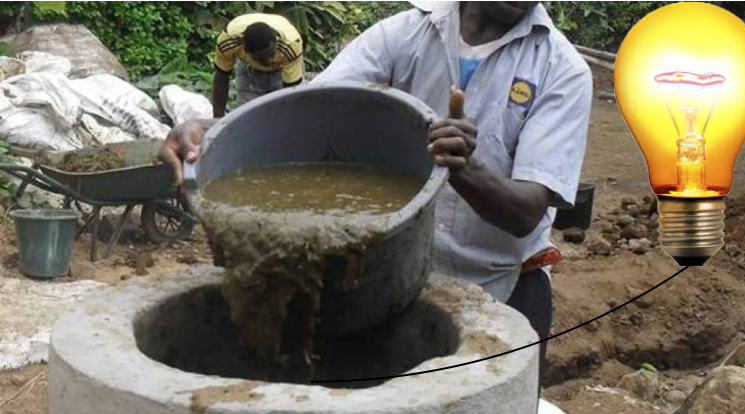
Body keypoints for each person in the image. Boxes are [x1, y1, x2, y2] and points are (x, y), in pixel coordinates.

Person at [159, 1, 592, 385]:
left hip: (506, 285)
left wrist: (464, 167)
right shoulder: (405, 33)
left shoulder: (560, 70)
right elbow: (310, 112)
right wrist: (210, 133)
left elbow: (525, 211)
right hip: (392, 278)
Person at [211, 13, 305, 117]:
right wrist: (217, 119)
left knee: (282, 118)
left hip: (282, 70)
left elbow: (292, 93)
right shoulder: (228, 41)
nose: (270, 60)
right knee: (248, 118)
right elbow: (221, 77)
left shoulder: (291, 45)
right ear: (245, 51)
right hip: (249, 73)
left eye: (272, 54)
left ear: (276, 42)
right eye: (262, 58)